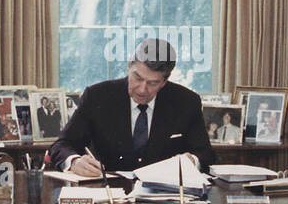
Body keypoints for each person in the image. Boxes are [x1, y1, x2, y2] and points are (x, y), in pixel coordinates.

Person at [50, 38, 214, 175]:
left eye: (153, 83)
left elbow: (206, 154)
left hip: (166, 198)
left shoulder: (186, 101)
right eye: (137, 77)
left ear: (165, 81)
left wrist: (193, 160)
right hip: (108, 193)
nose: (142, 89)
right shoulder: (97, 96)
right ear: (129, 66)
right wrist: (74, 161)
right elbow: (61, 145)